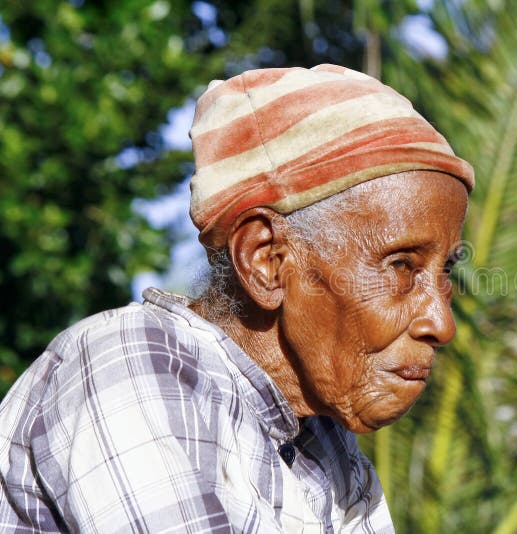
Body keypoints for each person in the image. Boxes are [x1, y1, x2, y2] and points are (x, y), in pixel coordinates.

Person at [0, 64, 473, 532]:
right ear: (266, 260)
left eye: (444, 271)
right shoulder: (130, 362)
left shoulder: (329, 450)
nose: (441, 323)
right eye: (401, 266)